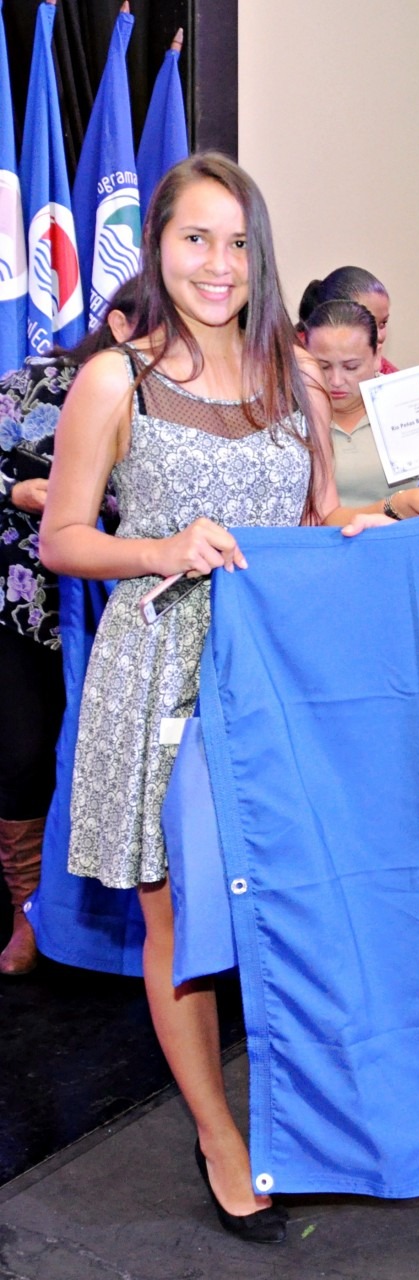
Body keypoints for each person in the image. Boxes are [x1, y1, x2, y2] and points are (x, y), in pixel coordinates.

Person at [38, 153, 419, 1245]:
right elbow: (61, 538)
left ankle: (326, 1109)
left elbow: (323, 514)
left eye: (238, 243)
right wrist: (162, 547)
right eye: (197, 239)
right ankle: (218, 1132)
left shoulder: (291, 373)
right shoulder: (117, 377)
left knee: (299, 897)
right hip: (160, 680)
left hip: (281, 678)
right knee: (176, 916)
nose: (218, 264)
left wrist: (414, 500)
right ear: (159, 247)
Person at [0, 283, 139, 974]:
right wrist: (15, 493)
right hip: (28, 608)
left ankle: (107, 925)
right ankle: (26, 912)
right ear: (116, 325)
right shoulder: (27, 386)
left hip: (126, 610)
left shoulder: (174, 399)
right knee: (23, 757)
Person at [302, 298, 419, 507]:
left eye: (351, 367)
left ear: (377, 356)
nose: (336, 381)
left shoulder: (410, 405)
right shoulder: (290, 416)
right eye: (323, 367)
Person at [298, 265, 396, 373]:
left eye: (383, 324)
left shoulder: (382, 368)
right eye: (325, 366)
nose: (378, 335)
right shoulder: (296, 363)